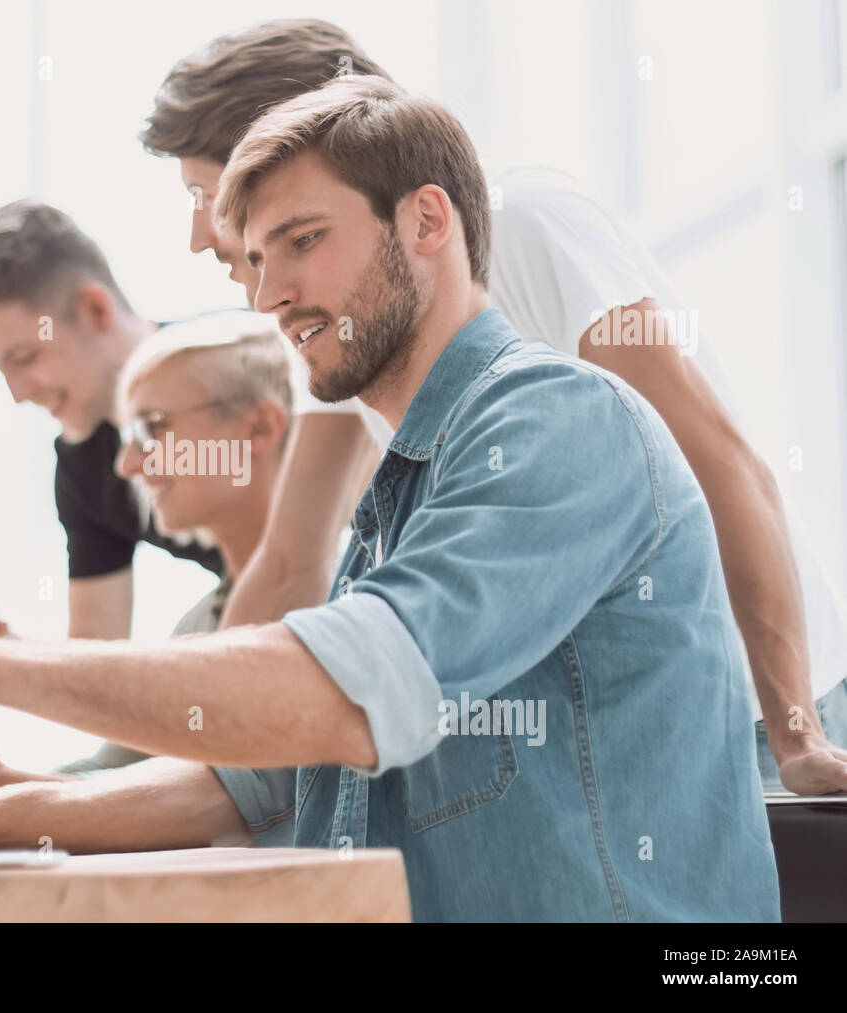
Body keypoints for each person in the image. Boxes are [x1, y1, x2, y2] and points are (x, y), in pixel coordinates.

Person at [0, 76, 780, 921]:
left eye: (302, 239)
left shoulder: (555, 422)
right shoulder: (399, 501)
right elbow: (262, 779)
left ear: (427, 219)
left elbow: (339, 694)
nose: (268, 294)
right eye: (255, 259)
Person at [139, 17, 847, 794]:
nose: (200, 235)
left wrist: (795, 731)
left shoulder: (528, 221)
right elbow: (288, 563)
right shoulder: (354, 322)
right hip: (622, 738)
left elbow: (724, 468)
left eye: (207, 194)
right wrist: (172, 775)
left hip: (761, 709)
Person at [0, 315, 299, 833]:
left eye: (154, 428)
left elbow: (230, 799)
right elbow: (121, 778)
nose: (127, 463)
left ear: (258, 428)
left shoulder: (339, 595)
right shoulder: (202, 624)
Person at [0, 201, 375, 641]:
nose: (18, 394)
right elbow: (96, 662)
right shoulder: (85, 463)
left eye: (26, 358)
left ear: (95, 309)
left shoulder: (265, 361)